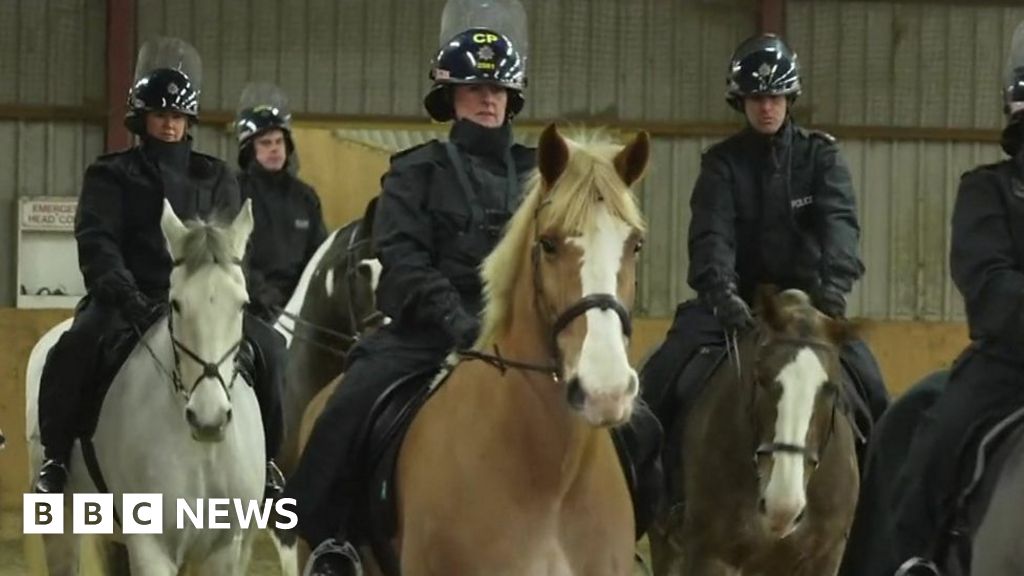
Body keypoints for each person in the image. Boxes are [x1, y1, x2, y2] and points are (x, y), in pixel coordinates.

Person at [34, 37, 284, 500]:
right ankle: (56, 458)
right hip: (127, 300)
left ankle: (268, 464)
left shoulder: (217, 176)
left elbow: (231, 247)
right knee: (73, 348)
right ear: (142, 119)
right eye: (160, 115)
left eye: (178, 116)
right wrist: (124, 294)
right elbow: (97, 241)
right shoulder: (110, 174)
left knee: (272, 346)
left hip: (199, 301)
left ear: (189, 121)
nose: (170, 124)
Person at [640, 33, 889, 472]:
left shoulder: (821, 158)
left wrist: (831, 297)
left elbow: (841, 229)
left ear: (790, 98)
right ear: (741, 102)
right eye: (757, 98)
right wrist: (723, 297)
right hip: (731, 308)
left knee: (876, 394)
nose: (767, 107)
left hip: (811, 307)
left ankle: (878, 500)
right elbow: (710, 238)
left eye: (775, 97)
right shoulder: (721, 164)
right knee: (658, 382)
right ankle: (649, 488)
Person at [889, 24, 1024, 575]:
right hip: (1009, 364)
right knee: (937, 441)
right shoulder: (987, 190)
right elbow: (988, 285)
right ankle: (916, 559)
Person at [234, 82, 327, 322]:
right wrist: (259, 290)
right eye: (266, 143)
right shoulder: (234, 191)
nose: (274, 149)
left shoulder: (305, 197)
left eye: (279, 142)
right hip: (248, 306)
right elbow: (230, 252)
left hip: (299, 307)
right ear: (250, 150)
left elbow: (318, 254)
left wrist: (303, 295)